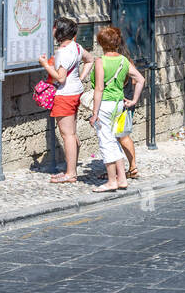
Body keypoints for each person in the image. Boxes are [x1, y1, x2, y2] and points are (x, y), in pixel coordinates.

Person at [90, 26, 146, 192]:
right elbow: (140, 79)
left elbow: (99, 88)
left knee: (106, 143)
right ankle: (121, 179)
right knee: (114, 141)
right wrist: (134, 100)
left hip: (105, 105)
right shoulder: (123, 60)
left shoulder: (100, 61)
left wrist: (94, 112)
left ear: (101, 43)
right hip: (119, 105)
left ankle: (111, 181)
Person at [38, 17, 93, 184]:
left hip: (65, 95)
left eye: (55, 27)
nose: (52, 29)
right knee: (72, 133)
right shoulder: (76, 47)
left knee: (67, 134)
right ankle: (72, 169)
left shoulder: (62, 52)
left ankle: (70, 173)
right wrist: (81, 77)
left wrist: (45, 65)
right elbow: (90, 59)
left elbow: (60, 78)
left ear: (60, 31)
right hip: (75, 91)